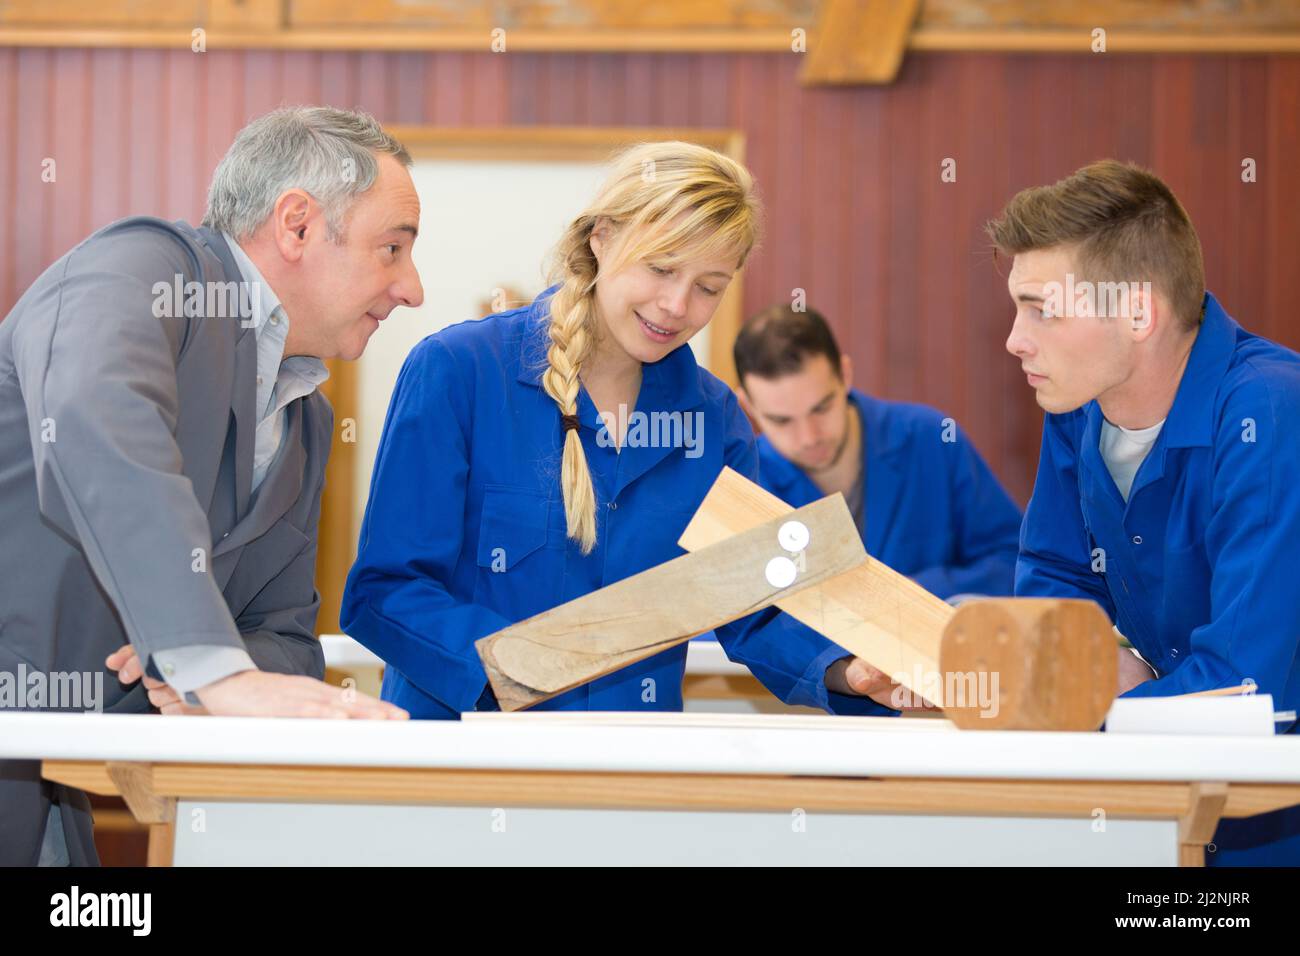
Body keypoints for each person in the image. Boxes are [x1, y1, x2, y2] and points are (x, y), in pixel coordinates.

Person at [341, 140, 895, 720]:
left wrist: (846, 669)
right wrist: (517, 667)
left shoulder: (714, 418)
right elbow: (386, 591)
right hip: (464, 762)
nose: (677, 305)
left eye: (709, 286)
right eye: (660, 268)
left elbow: (749, 601)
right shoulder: (458, 372)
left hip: (630, 770)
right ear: (599, 238)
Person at [0, 106, 417, 866]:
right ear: (296, 226)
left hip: (53, 788)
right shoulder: (140, 270)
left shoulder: (306, 422)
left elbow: (286, 636)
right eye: (391, 250)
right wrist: (205, 660)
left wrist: (218, 671)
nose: (412, 288)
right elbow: (95, 419)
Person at [990, 158, 1300, 865]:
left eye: (1042, 308)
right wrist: (1096, 667)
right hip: (1163, 793)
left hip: (1274, 813)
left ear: (1138, 313)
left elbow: (1246, 689)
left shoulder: (1273, 413)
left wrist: (1098, 700)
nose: (1015, 338)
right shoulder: (1076, 403)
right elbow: (1055, 574)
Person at [734, 304, 1022, 602]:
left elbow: (1016, 563)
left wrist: (918, 592)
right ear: (748, 405)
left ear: (845, 375)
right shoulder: (746, 483)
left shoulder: (931, 439)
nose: (809, 437)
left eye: (821, 408)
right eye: (781, 421)